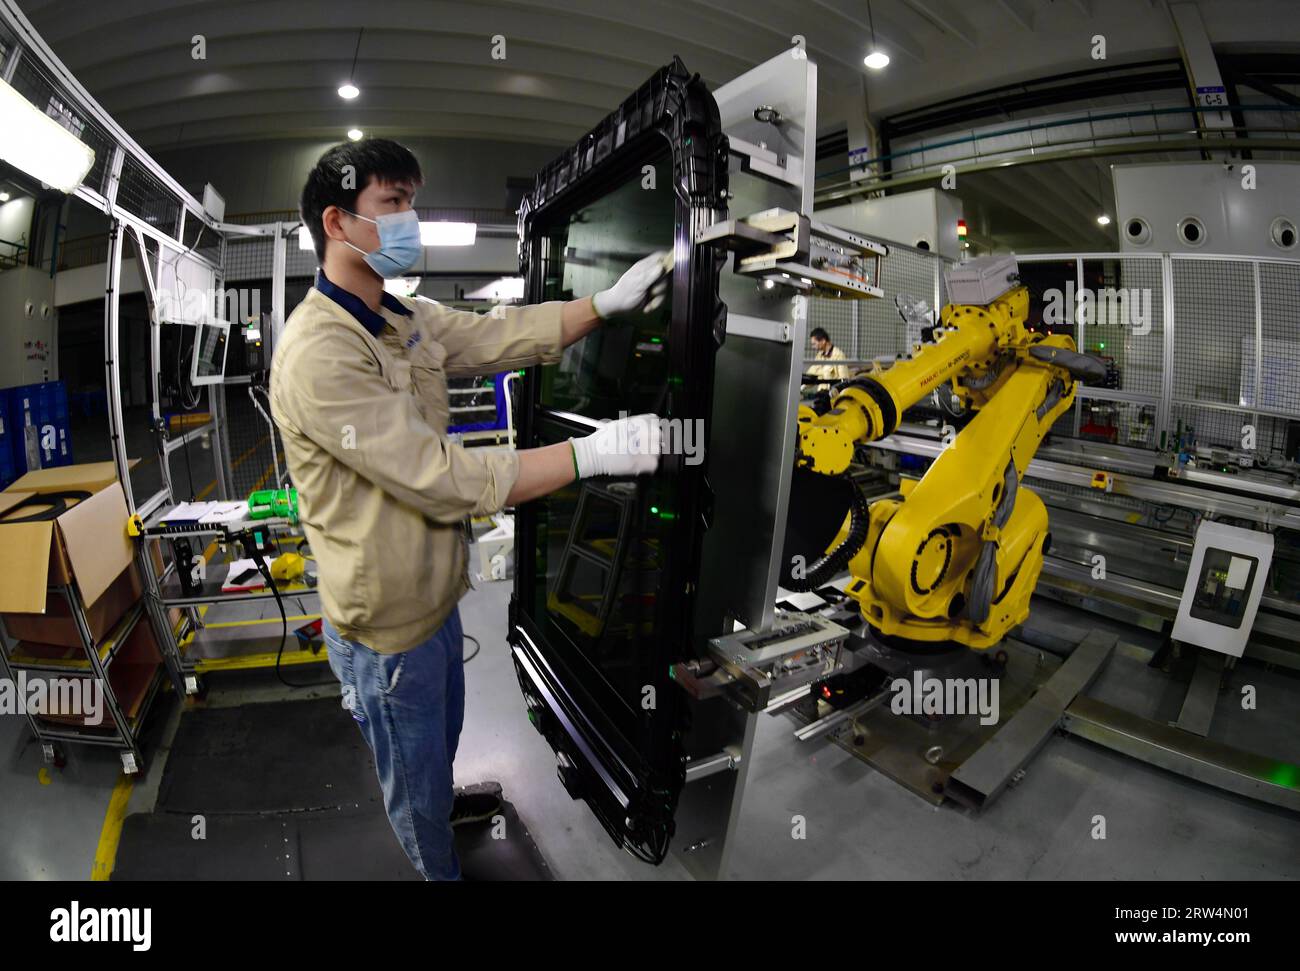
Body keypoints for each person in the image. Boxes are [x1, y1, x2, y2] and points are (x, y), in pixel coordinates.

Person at [269, 138, 673, 880]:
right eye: (393, 204)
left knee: (441, 742)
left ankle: (440, 806)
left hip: (436, 598)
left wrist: (602, 306)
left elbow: (494, 334)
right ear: (337, 221)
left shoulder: (400, 316)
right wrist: (593, 455)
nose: (410, 221)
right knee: (414, 784)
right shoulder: (317, 353)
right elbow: (441, 476)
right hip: (385, 626)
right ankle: (437, 870)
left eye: (412, 203)